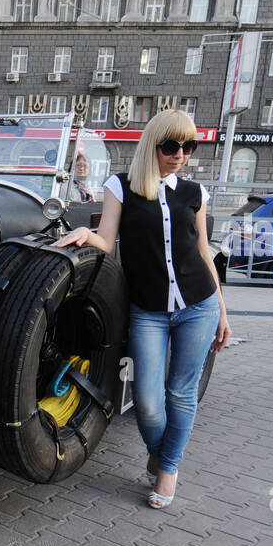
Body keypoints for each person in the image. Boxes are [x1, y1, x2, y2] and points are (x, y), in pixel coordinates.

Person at [52, 109, 231, 509]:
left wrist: (222, 311)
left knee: (181, 393)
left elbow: (202, 251)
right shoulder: (121, 186)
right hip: (149, 310)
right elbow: (107, 239)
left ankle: (167, 467)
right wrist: (85, 234)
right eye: (172, 146)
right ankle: (159, 452)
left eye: (188, 146)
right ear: (152, 144)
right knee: (148, 401)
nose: (180, 154)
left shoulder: (194, 194)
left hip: (197, 305)